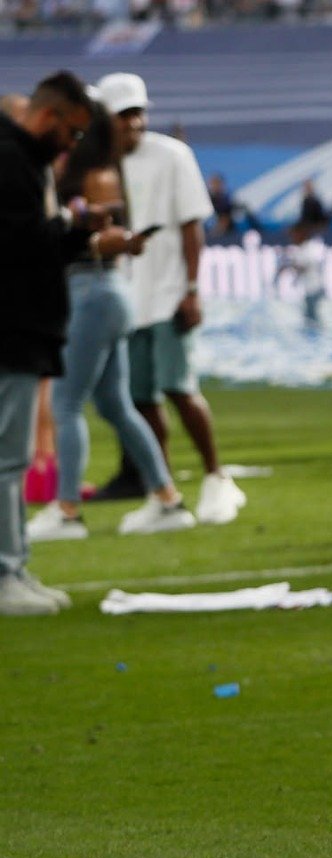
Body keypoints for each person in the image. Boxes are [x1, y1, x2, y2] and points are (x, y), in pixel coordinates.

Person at [25, 98, 197, 544]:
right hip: (105, 292)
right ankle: (166, 498)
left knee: (64, 404)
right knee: (115, 406)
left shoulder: (90, 174)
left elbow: (101, 237)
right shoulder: (102, 171)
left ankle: (65, 511)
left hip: (91, 292)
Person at [96, 72, 247, 525]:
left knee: (179, 389)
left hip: (168, 292)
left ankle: (217, 477)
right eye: (124, 115)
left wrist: (192, 289)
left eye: (138, 113)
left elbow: (191, 227)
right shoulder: (101, 166)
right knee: (140, 400)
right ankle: (164, 493)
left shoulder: (173, 154)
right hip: (126, 297)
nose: (134, 123)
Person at [0, 70, 97, 616]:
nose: (74, 145)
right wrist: (83, 235)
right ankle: (4, 572)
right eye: (73, 132)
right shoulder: (11, 162)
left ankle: (13, 565)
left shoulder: (21, 161)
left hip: (19, 329)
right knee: (6, 459)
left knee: (9, 457)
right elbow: (21, 247)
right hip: (11, 329)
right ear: (49, 116)